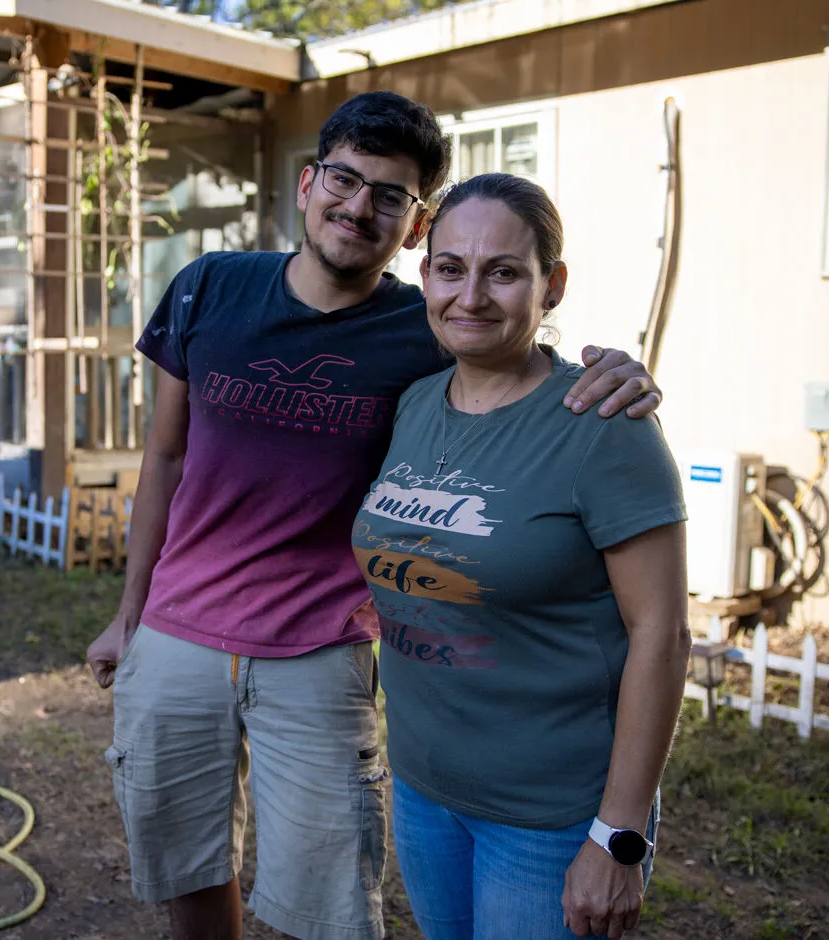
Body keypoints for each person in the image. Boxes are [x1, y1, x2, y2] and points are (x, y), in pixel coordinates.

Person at [86, 91, 665, 940]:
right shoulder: (210, 287)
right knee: (191, 868)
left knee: (328, 901)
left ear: (416, 224)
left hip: (320, 649)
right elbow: (165, 459)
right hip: (178, 635)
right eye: (345, 180)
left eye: (390, 195)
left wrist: (620, 370)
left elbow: (513, 355)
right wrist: (127, 614)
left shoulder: (424, 327)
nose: (359, 207)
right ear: (309, 183)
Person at [351, 173, 690, 940]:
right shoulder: (414, 404)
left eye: (503, 272)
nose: (470, 296)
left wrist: (618, 835)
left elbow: (663, 637)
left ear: (552, 286)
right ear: (426, 276)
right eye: (450, 268)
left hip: (551, 816)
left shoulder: (604, 423)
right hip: (425, 790)